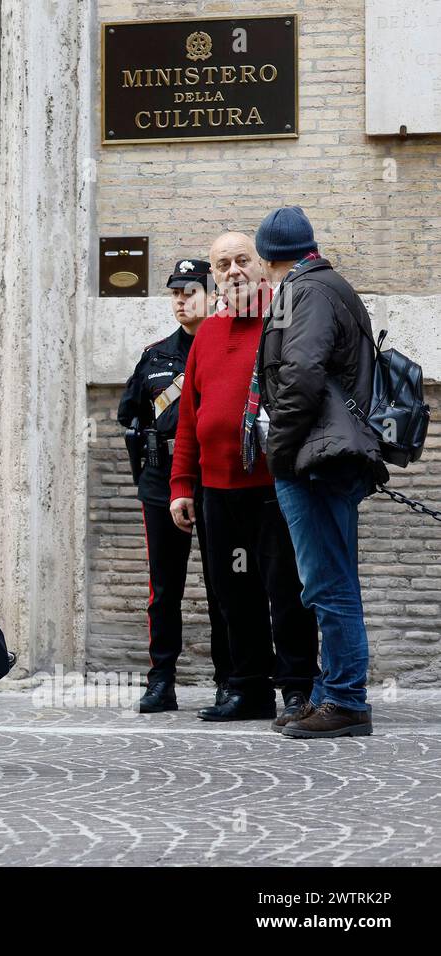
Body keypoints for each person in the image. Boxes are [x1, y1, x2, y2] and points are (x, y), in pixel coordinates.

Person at [169, 233, 318, 726]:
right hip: (218, 494)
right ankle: (248, 688)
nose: (233, 271)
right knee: (234, 593)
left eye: (242, 261)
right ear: (212, 277)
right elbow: (190, 418)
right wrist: (181, 486)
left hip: (276, 489)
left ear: (262, 267)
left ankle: (297, 688)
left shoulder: (286, 321)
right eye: (222, 265)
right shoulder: (208, 333)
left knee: (287, 591)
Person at [252, 206, 385, 738]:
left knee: (327, 585)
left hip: (314, 459)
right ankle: (331, 693)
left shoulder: (306, 292)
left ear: (268, 258)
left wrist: (279, 452)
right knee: (330, 580)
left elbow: (300, 373)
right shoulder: (326, 287)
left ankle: (347, 700)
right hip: (324, 455)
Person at [118, 259, 229, 713]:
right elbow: (131, 412)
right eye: (175, 293)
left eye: (190, 291)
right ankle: (161, 681)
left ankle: (231, 680)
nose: (181, 300)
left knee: (226, 585)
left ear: (212, 296)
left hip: (217, 477)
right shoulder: (156, 355)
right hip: (163, 480)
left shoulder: (228, 347)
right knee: (165, 588)